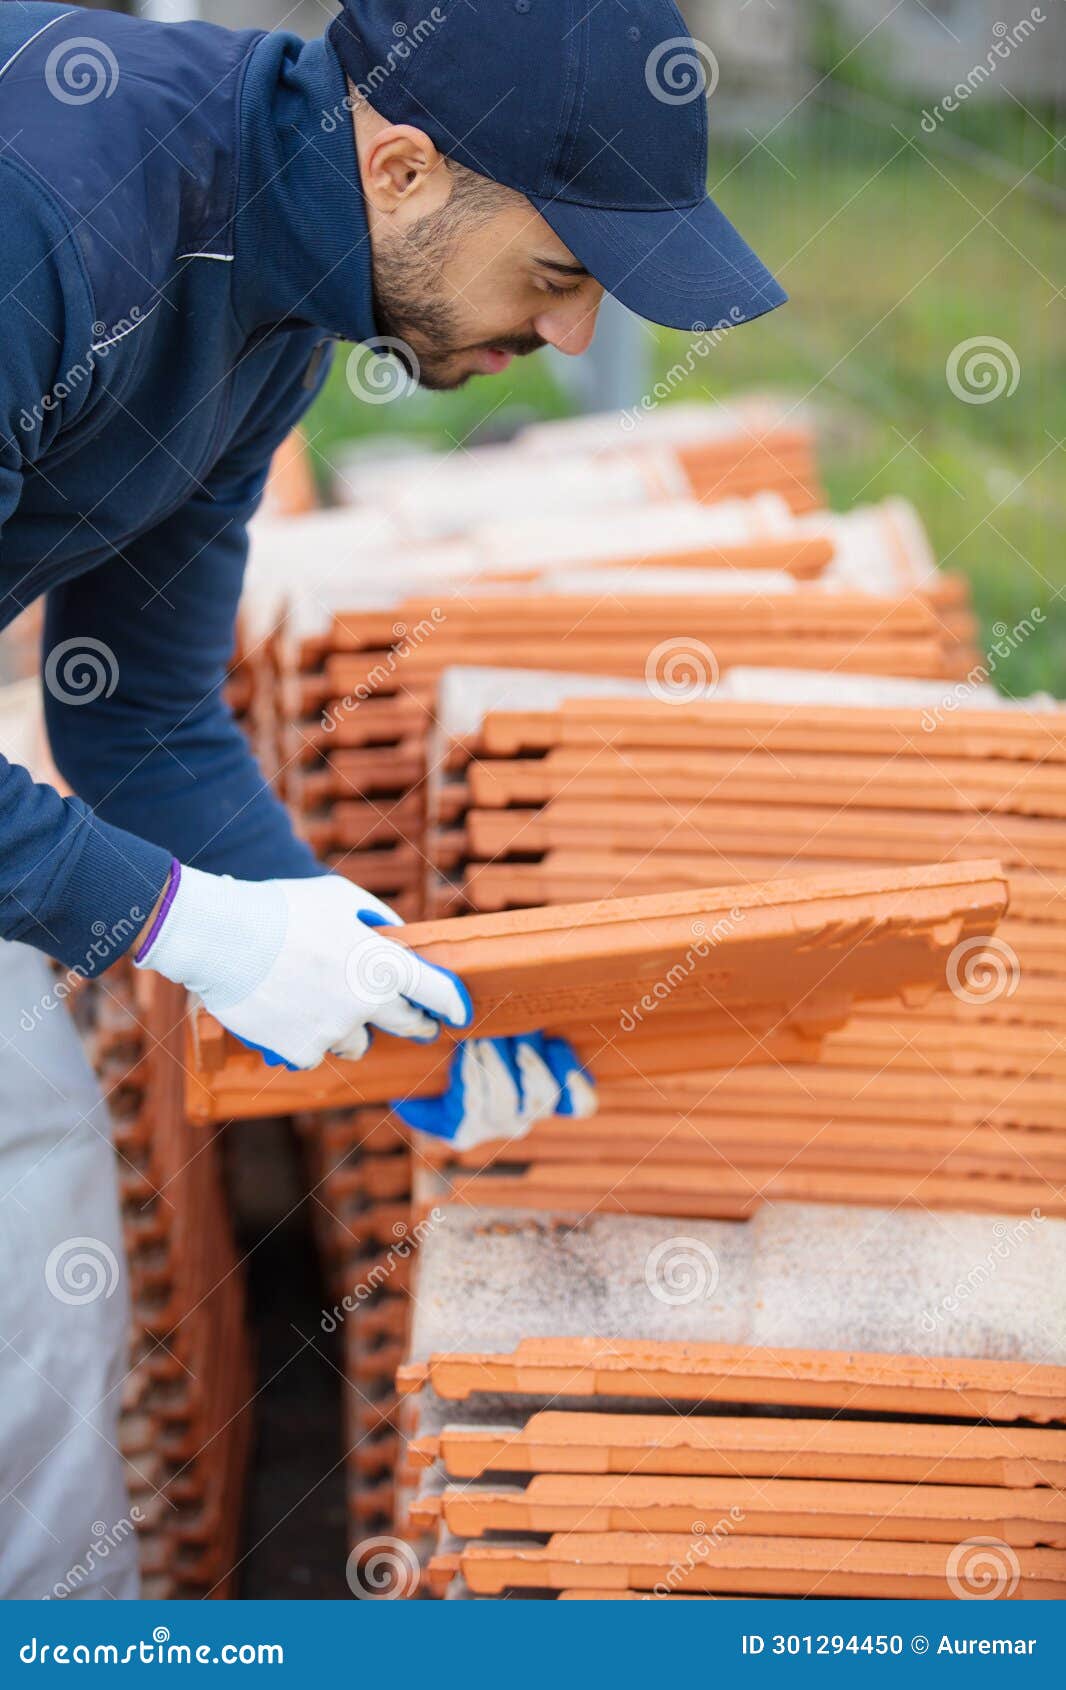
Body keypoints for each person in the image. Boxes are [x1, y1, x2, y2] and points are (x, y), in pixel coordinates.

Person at [0, 0, 784, 1595]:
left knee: (34, 1181)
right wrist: (176, 920)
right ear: (407, 166)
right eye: (559, 275)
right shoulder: (50, 205)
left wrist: (383, 986)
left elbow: (141, 714)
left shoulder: (277, 293)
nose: (570, 337)